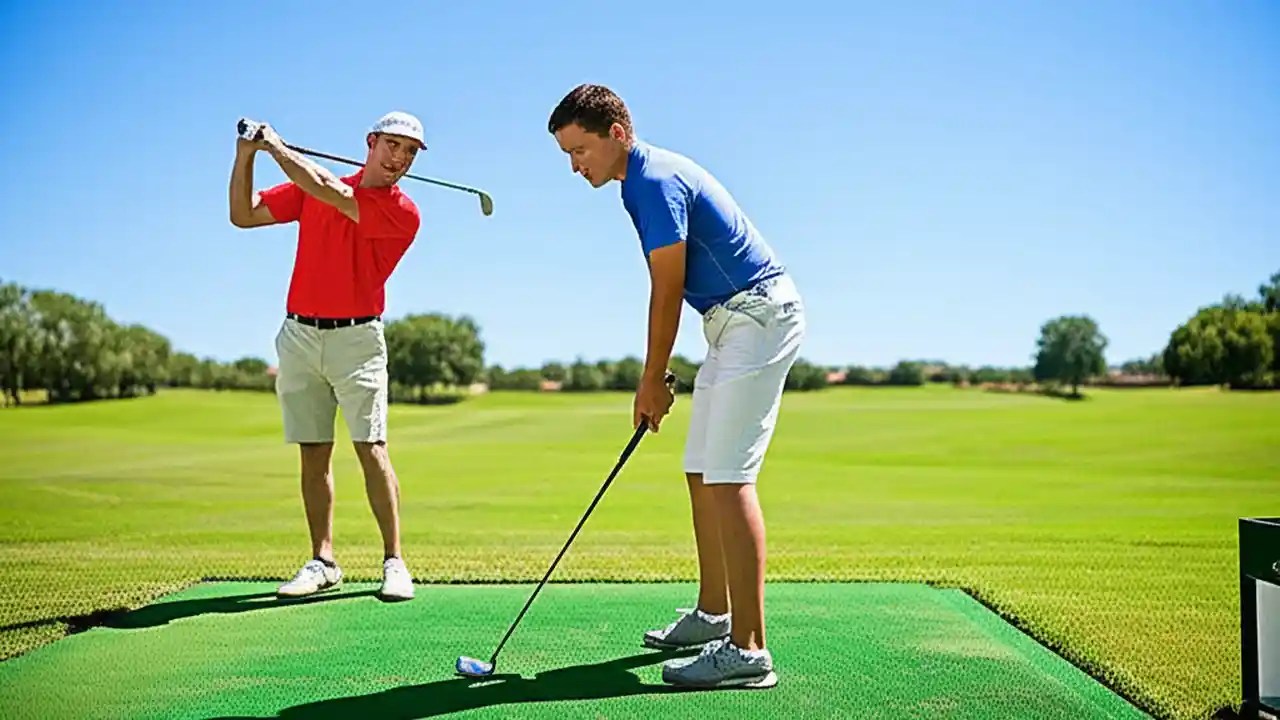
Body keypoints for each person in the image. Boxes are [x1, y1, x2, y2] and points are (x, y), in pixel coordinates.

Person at [547, 84, 805, 689]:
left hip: (758, 316)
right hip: (734, 321)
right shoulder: (637, 184)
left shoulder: (652, 181)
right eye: (566, 155)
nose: (575, 165)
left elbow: (668, 285)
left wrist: (650, 379)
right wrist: (660, 374)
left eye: (579, 150)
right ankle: (715, 614)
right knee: (701, 470)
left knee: (729, 477)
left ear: (617, 134)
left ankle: (749, 650)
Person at [228, 111, 426, 602]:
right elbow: (243, 213)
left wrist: (274, 146)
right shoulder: (316, 188)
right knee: (313, 453)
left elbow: (329, 191)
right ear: (371, 142)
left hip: (357, 342)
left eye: (409, 152)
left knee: (371, 448)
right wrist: (245, 156)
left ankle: (395, 561)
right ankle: (323, 561)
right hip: (299, 334)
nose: (399, 158)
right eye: (393, 145)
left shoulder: (402, 212)